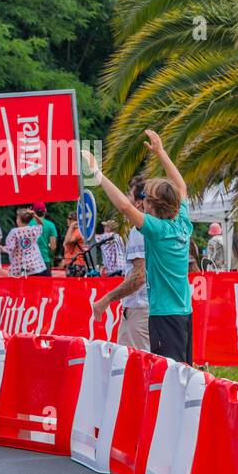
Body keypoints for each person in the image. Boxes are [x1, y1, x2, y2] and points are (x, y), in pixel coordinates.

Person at [86, 135, 191, 362]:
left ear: (150, 205)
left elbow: (124, 206)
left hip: (163, 313)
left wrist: (97, 174)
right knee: (183, 371)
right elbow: (181, 185)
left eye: (145, 198)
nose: (141, 202)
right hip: (184, 311)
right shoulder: (183, 221)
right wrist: (161, 152)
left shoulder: (157, 230)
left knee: (168, 376)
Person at [91, 180, 150, 350]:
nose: (125, 199)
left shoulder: (140, 230)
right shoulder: (165, 225)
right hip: (156, 308)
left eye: (129, 195)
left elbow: (139, 277)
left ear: (138, 202)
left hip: (140, 310)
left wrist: (106, 299)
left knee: (135, 368)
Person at [3, 208, 47, 277]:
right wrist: (35, 215)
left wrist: (0, 248)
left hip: (20, 268)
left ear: (18, 219)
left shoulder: (14, 232)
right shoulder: (33, 230)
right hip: (34, 266)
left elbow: (9, 248)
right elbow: (41, 225)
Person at [32, 202, 58, 269]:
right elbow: (53, 247)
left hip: (30, 262)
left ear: (33, 211)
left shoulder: (28, 224)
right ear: (45, 210)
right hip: (44, 260)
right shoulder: (51, 225)